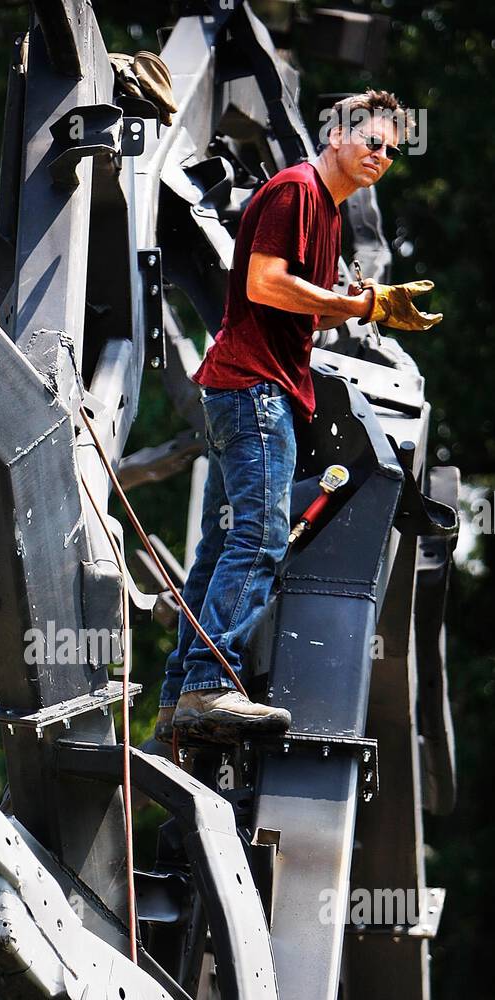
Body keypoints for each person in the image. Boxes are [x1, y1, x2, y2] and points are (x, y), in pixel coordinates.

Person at [156, 89, 440, 745]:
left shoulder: (326, 212)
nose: (382, 157)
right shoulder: (295, 191)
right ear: (336, 135)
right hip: (255, 388)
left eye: (392, 151)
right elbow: (262, 282)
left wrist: (362, 302)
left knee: (219, 548)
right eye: (372, 142)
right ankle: (208, 685)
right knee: (259, 536)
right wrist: (367, 308)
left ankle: (179, 693)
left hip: (248, 388)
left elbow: (305, 303)